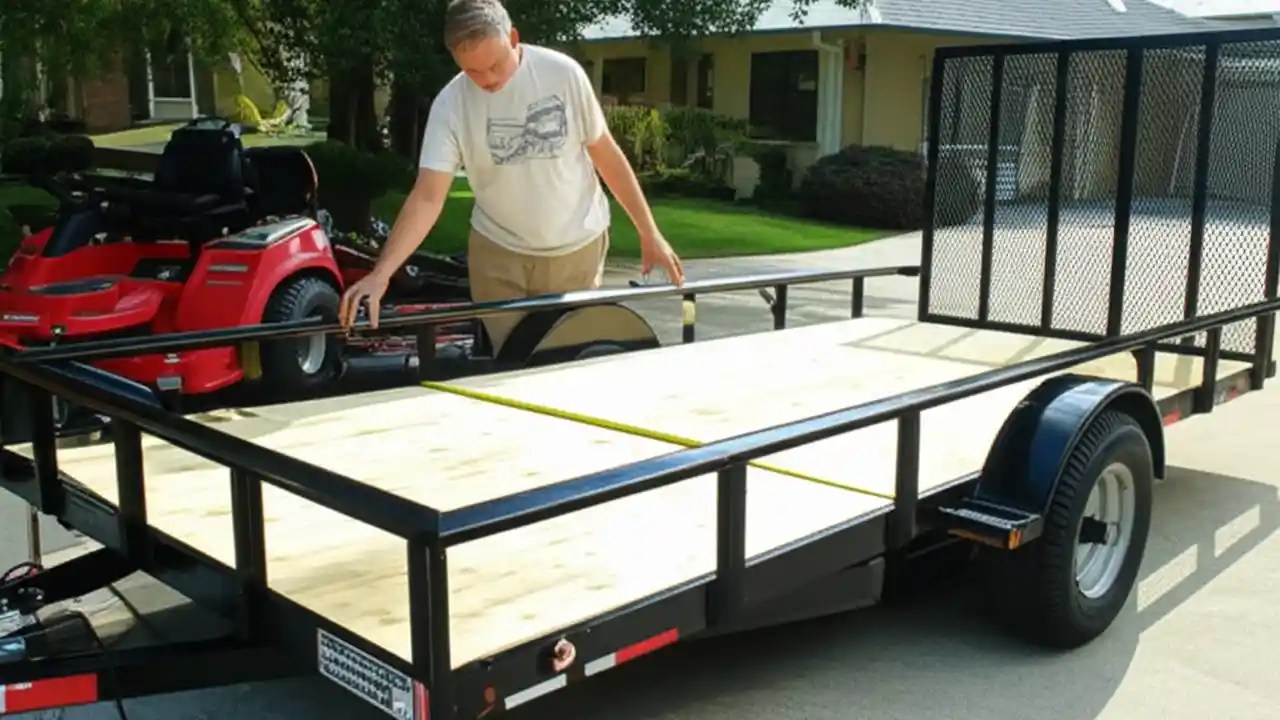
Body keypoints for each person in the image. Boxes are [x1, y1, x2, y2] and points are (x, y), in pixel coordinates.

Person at [337, 0, 685, 354]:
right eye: (473, 72)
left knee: (567, 359)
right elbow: (428, 196)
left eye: (495, 65)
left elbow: (606, 154)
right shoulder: (451, 104)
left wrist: (649, 231)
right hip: (498, 255)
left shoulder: (562, 75)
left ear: (513, 38)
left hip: (576, 248)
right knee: (515, 364)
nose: (487, 80)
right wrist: (381, 275)